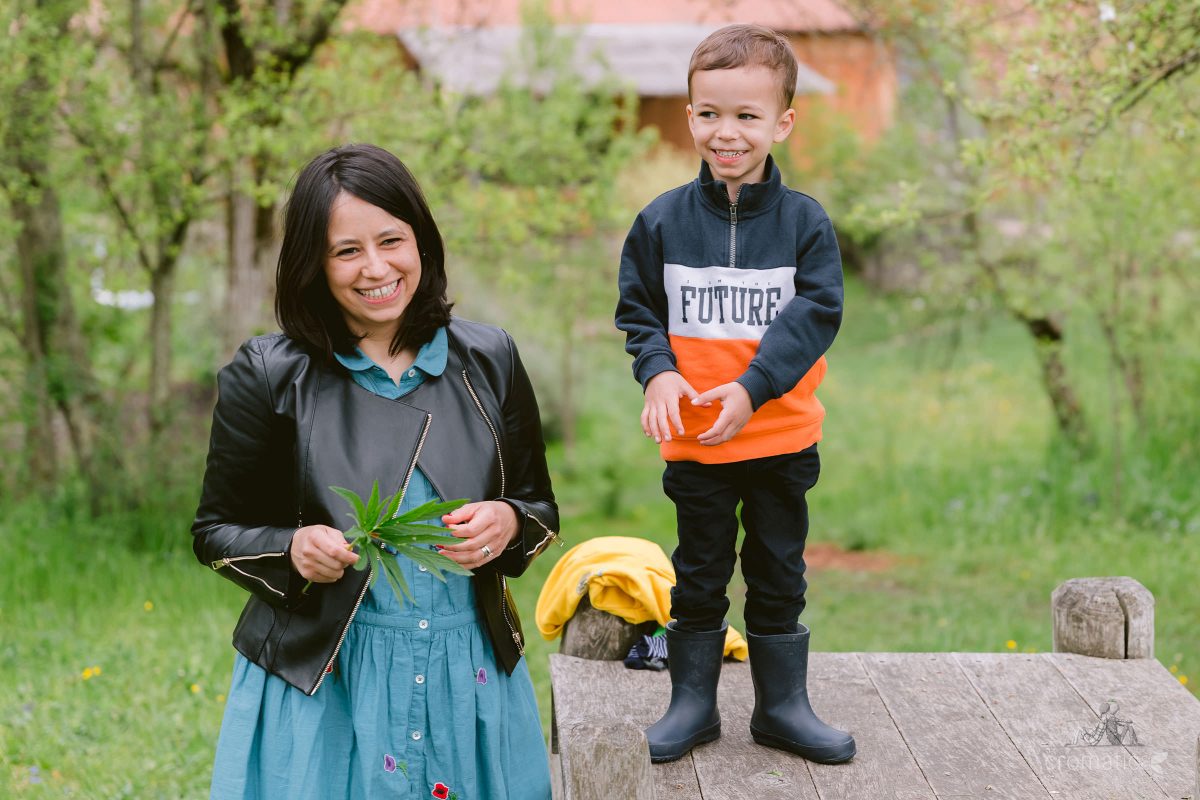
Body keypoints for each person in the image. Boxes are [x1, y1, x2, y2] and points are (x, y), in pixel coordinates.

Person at [193, 143, 559, 799]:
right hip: (326, 679)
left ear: (422, 241)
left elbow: (538, 508)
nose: (376, 268)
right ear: (313, 263)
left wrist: (507, 521)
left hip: (464, 672)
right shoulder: (271, 373)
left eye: (392, 240)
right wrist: (290, 548)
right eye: (346, 251)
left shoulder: (489, 359)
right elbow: (216, 531)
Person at [614, 24, 855, 765]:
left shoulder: (804, 223)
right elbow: (638, 313)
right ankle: (692, 703)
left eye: (748, 116)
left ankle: (782, 707)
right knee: (700, 571)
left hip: (780, 441)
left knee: (779, 569)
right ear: (688, 115)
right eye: (710, 113)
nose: (727, 132)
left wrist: (752, 390)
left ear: (782, 122)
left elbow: (816, 316)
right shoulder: (659, 222)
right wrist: (658, 371)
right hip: (697, 442)